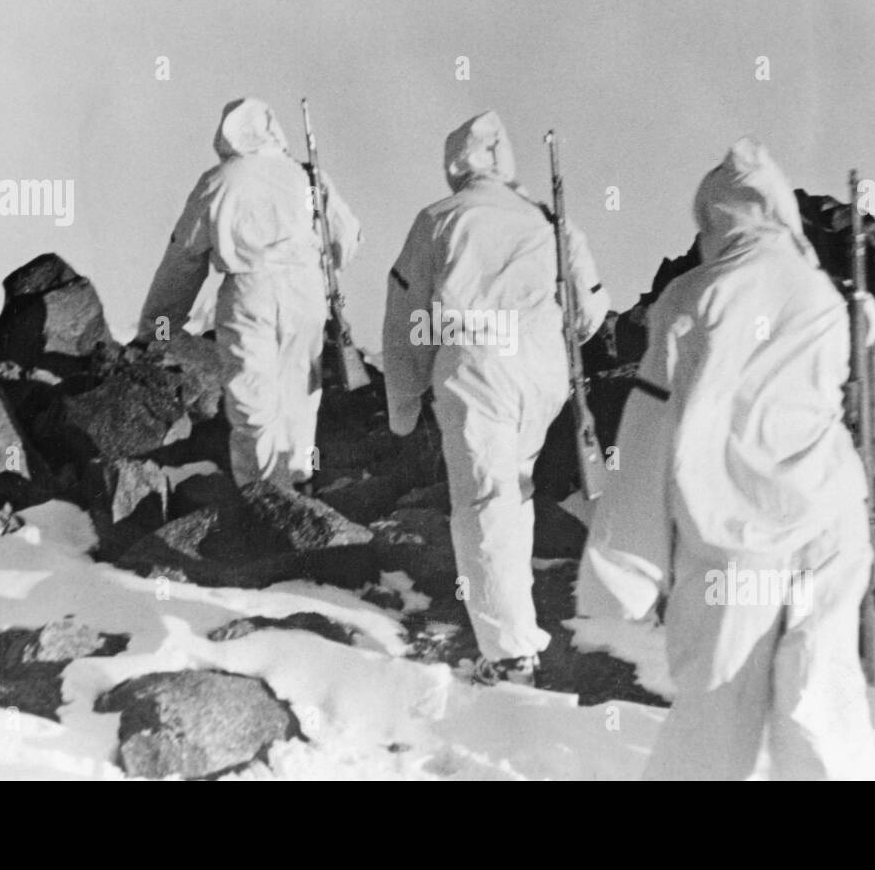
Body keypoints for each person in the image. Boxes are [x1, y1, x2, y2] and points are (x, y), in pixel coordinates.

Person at [576, 137, 875, 779]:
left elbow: (649, 434)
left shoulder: (688, 300)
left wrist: (624, 574)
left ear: (713, 218)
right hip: (827, 534)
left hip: (728, 551)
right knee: (823, 706)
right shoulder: (838, 300)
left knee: (711, 723)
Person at [383, 111, 610, 686]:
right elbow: (591, 312)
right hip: (541, 370)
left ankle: (509, 654)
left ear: (455, 164)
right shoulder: (549, 219)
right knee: (515, 491)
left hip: (476, 360)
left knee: (484, 500)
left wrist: (404, 402)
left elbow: (406, 316)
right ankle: (518, 629)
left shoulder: (439, 218)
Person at [136, 97, 361, 489]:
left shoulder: (218, 182)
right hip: (305, 293)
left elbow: (183, 261)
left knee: (251, 397)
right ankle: (299, 479)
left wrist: (156, 328)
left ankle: (262, 492)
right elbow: (347, 239)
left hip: (247, 293)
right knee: (300, 394)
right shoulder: (307, 176)